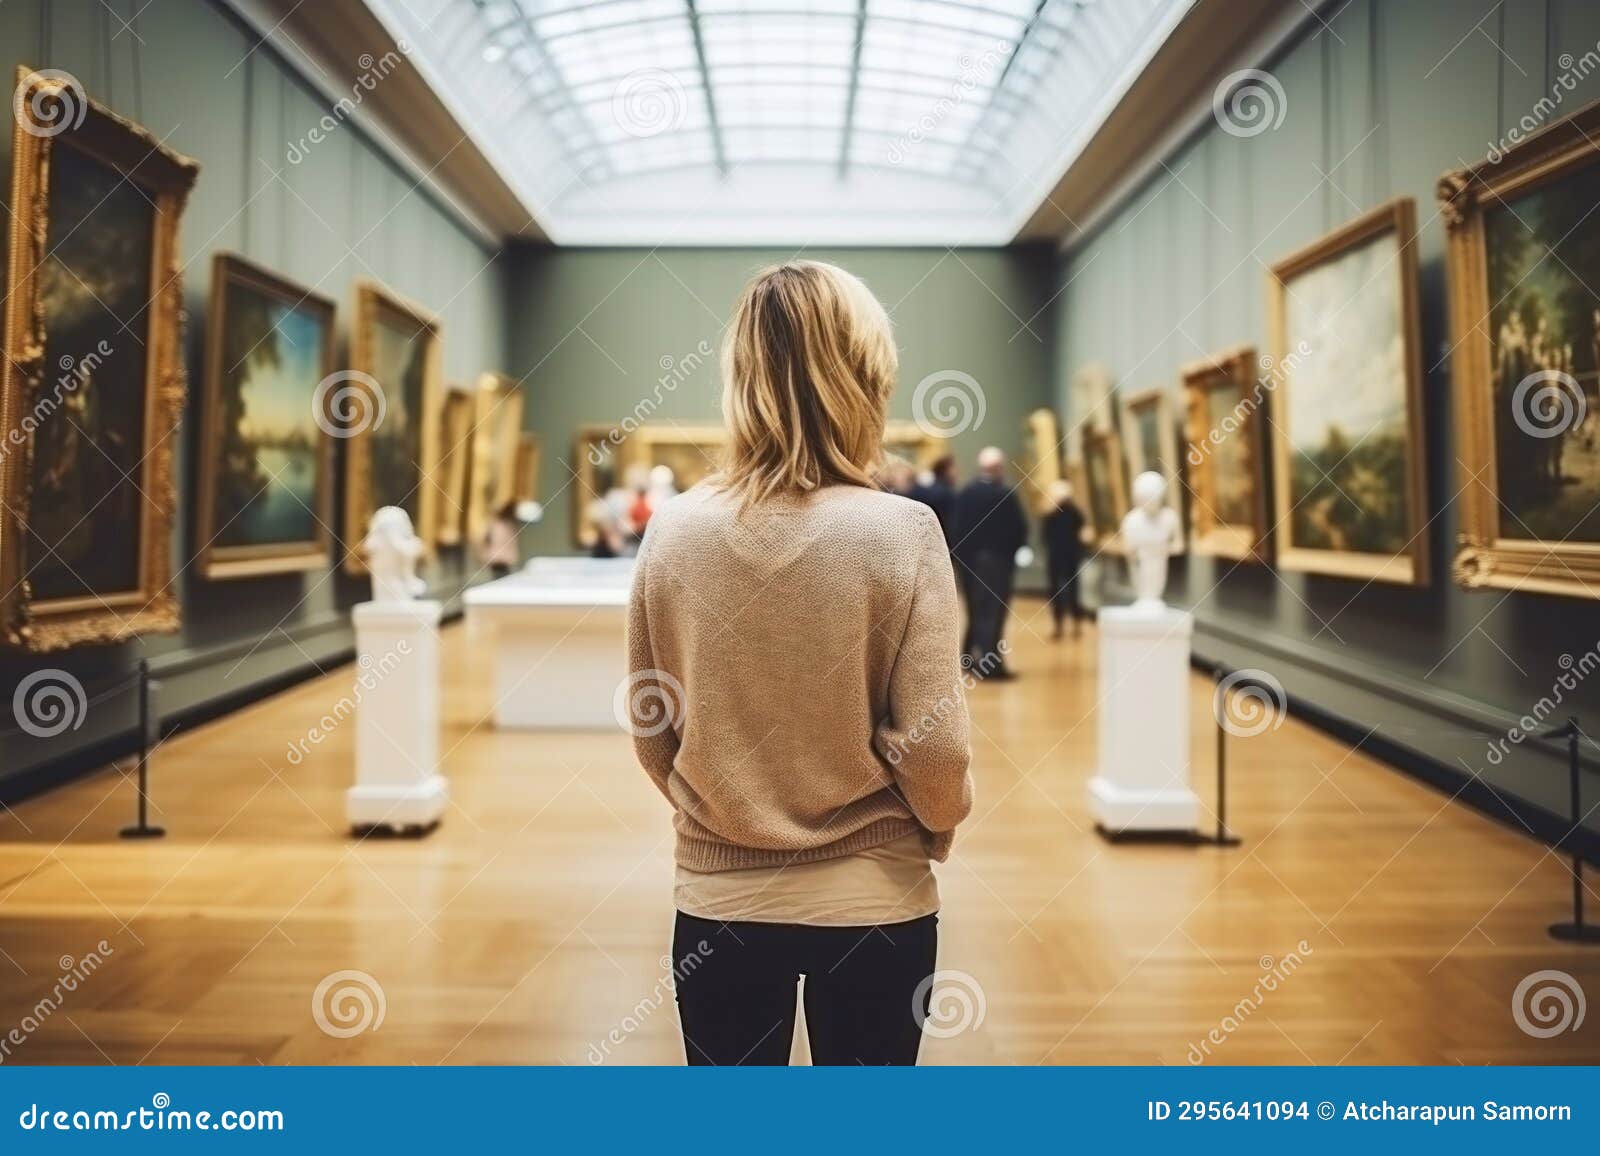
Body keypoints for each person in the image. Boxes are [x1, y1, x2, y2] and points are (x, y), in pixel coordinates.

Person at [625, 261, 973, 1067]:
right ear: (865, 380)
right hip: (875, 901)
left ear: (740, 378)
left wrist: (728, 812)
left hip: (718, 900)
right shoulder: (902, 531)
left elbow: (653, 728)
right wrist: (938, 823)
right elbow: (935, 749)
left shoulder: (674, 530)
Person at [950, 446, 1026, 678]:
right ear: (998, 468)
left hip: (969, 562)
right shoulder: (1005, 494)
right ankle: (990, 665)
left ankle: (969, 657)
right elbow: (1018, 529)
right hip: (997, 562)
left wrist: (962, 558)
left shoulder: (966, 493)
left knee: (975, 610)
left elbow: (956, 529)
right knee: (992, 612)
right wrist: (1009, 555)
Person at [1041, 478, 1087, 639]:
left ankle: (1059, 625)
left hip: (1056, 557)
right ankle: (1075, 624)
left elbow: (1045, 537)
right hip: (1071, 557)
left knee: (1056, 591)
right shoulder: (1075, 513)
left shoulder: (1051, 515)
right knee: (1073, 590)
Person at [906, 455, 957, 541]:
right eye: (954, 469)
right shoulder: (945, 493)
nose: (957, 473)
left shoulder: (919, 490)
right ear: (946, 470)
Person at [480, 501, 521, 579]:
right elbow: (486, 539)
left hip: (501, 557)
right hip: (497, 556)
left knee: (502, 576)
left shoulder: (507, 524)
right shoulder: (494, 524)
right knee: (500, 576)